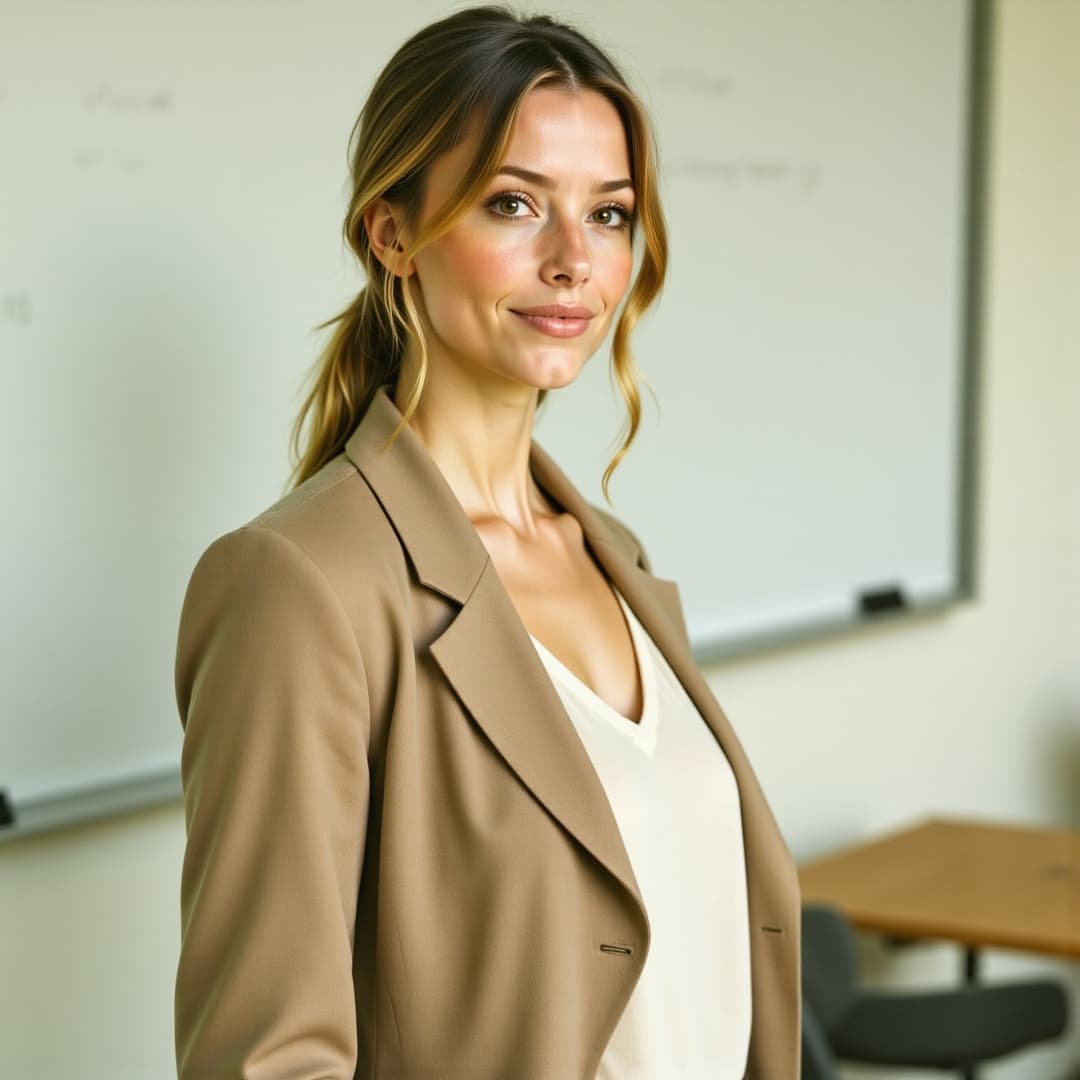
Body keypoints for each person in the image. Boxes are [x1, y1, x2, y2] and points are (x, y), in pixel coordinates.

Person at [173, 6, 800, 1078]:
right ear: (393, 231)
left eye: (609, 215)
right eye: (515, 204)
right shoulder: (301, 583)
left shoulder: (618, 558)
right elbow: (265, 1058)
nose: (573, 261)